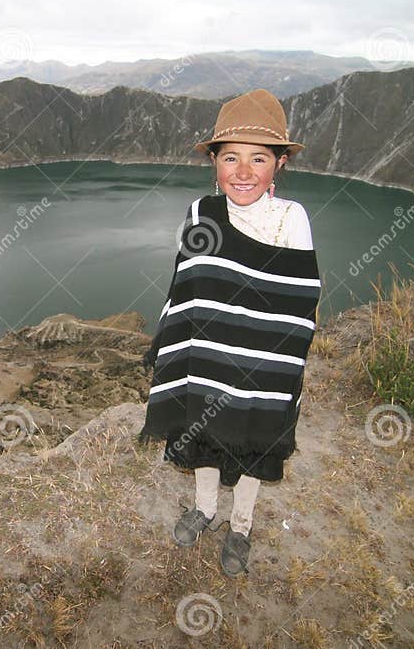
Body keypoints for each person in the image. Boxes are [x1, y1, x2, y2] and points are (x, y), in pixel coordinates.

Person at [138, 88, 321, 578]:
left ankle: (241, 525)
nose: (243, 172)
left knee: (252, 440)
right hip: (209, 356)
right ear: (214, 163)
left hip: (264, 363)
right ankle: (204, 508)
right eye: (231, 158)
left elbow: (297, 299)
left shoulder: (290, 219)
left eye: (258, 159)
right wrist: (173, 344)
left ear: (279, 164)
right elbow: (187, 288)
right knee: (203, 430)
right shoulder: (200, 214)